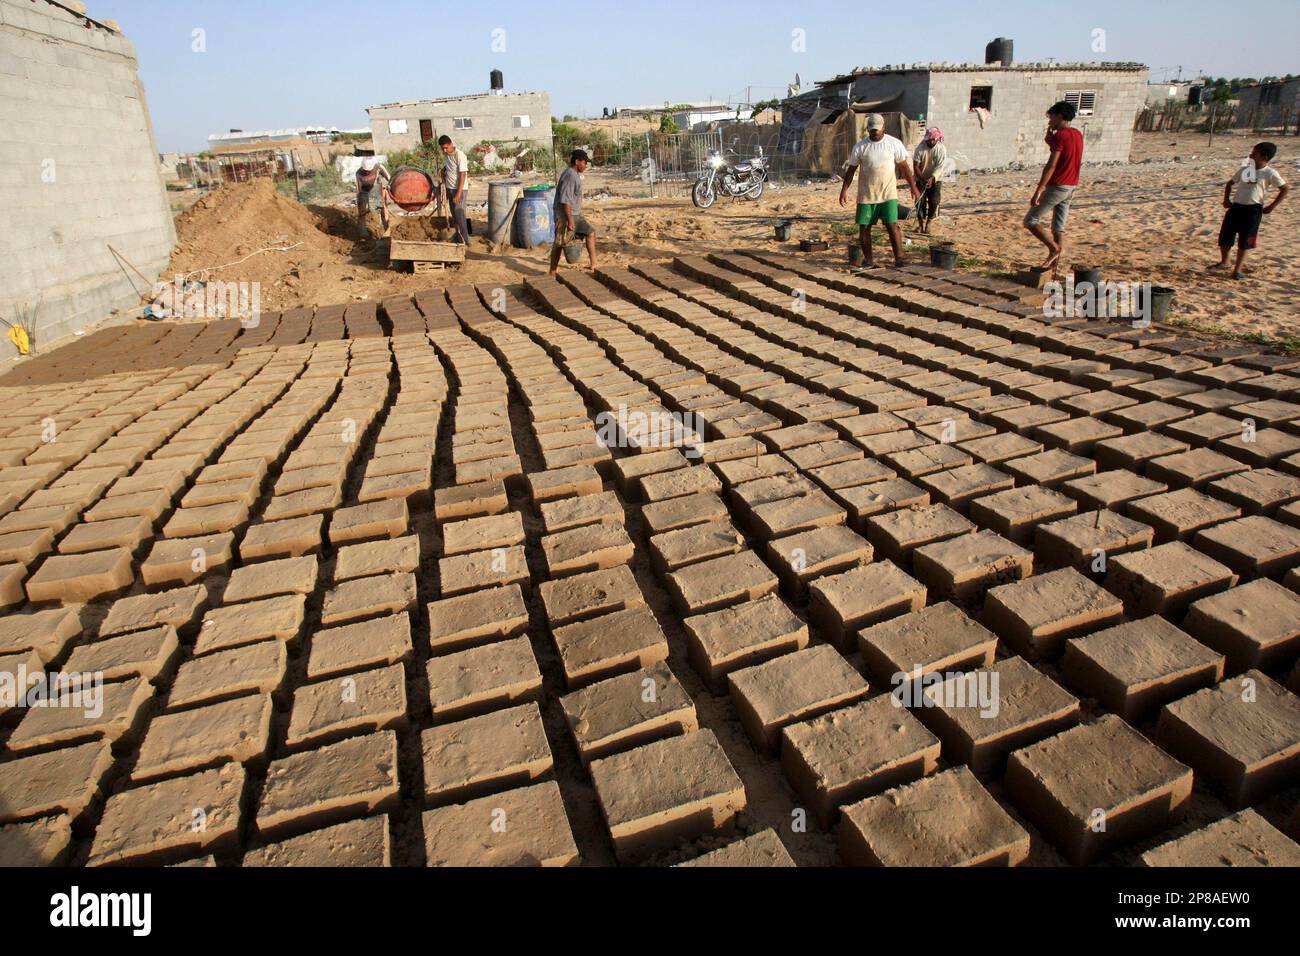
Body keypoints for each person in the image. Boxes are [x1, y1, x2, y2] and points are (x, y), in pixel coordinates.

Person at [839, 113, 920, 268]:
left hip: (888, 193)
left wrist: (913, 187)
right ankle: (868, 260)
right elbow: (851, 170)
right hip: (866, 194)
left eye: (877, 129)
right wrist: (844, 189)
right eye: (871, 130)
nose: (874, 132)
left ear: (884, 128)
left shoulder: (893, 144)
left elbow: (904, 167)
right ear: (868, 129)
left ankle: (900, 258)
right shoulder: (861, 147)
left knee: (892, 225)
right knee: (864, 227)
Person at [1212, 142, 1288, 280]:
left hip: (1253, 210)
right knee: (1226, 235)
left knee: (1245, 240)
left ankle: (1237, 270)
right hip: (1236, 207)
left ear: (1264, 157)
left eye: (1254, 154)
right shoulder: (1245, 169)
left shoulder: (1270, 173)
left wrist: (1271, 206)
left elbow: (1285, 188)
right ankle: (1225, 261)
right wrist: (1226, 200)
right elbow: (1230, 183)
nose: (1250, 155)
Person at [1023, 100, 1083, 271]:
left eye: (1051, 118)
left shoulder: (1061, 136)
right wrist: (1050, 139)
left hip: (1058, 185)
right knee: (1058, 226)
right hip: (1071, 185)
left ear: (1059, 116)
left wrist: (1039, 189)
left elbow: (1052, 164)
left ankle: (1054, 248)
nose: (1049, 122)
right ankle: (1055, 265)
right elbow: (1066, 151)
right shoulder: (1077, 134)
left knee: (1030, 220)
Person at [549, 149, 598, 276]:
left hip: (576, 215)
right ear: (577, 162)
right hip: (565, 216)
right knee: (559, 243)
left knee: (590, 233)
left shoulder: (575, 174)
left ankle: (594, 264)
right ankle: (552, 272)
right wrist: (570, 221)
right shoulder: (570, 175)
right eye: (584, 162)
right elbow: (565, 201)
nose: (586, 165)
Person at [912, 127, 947, 234]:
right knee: (919, 202)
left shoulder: (941, 149)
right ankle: (920, 224)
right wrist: (923, 179)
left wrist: (932, 178)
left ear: (936, 139)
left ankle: (929, 223)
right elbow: (916, 166)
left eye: (932, 139)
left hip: (936, 178)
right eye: (928, 139)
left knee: (934, 201)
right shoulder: (920, 148)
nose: (930, 141)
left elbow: (939, 167)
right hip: (921, 177)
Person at [437, 135, 471, 245]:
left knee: (459, 214)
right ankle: (459, 237)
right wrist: (443, 170)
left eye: (446, 147)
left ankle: (465, 241)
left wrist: (458, 193)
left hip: (460, 189)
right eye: (442, 148)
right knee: (454, 216)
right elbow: (450, 167)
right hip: (450, 188)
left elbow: (463, 174)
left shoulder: (460, 155)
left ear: (451, 144)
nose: (445, 150)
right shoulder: (447, 155)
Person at [355, 156, 390, 237]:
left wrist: (389, 185)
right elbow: (358, 189)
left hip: (376, 189)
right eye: (365, 171)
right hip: (364, 191)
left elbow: (388, 178)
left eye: (369, 171)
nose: (367, 172)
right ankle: (364, 234)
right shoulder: (358, 173)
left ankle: (386, 230)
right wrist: (361, 201)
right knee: (362, 213)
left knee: (381, 210)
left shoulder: (378, 167)